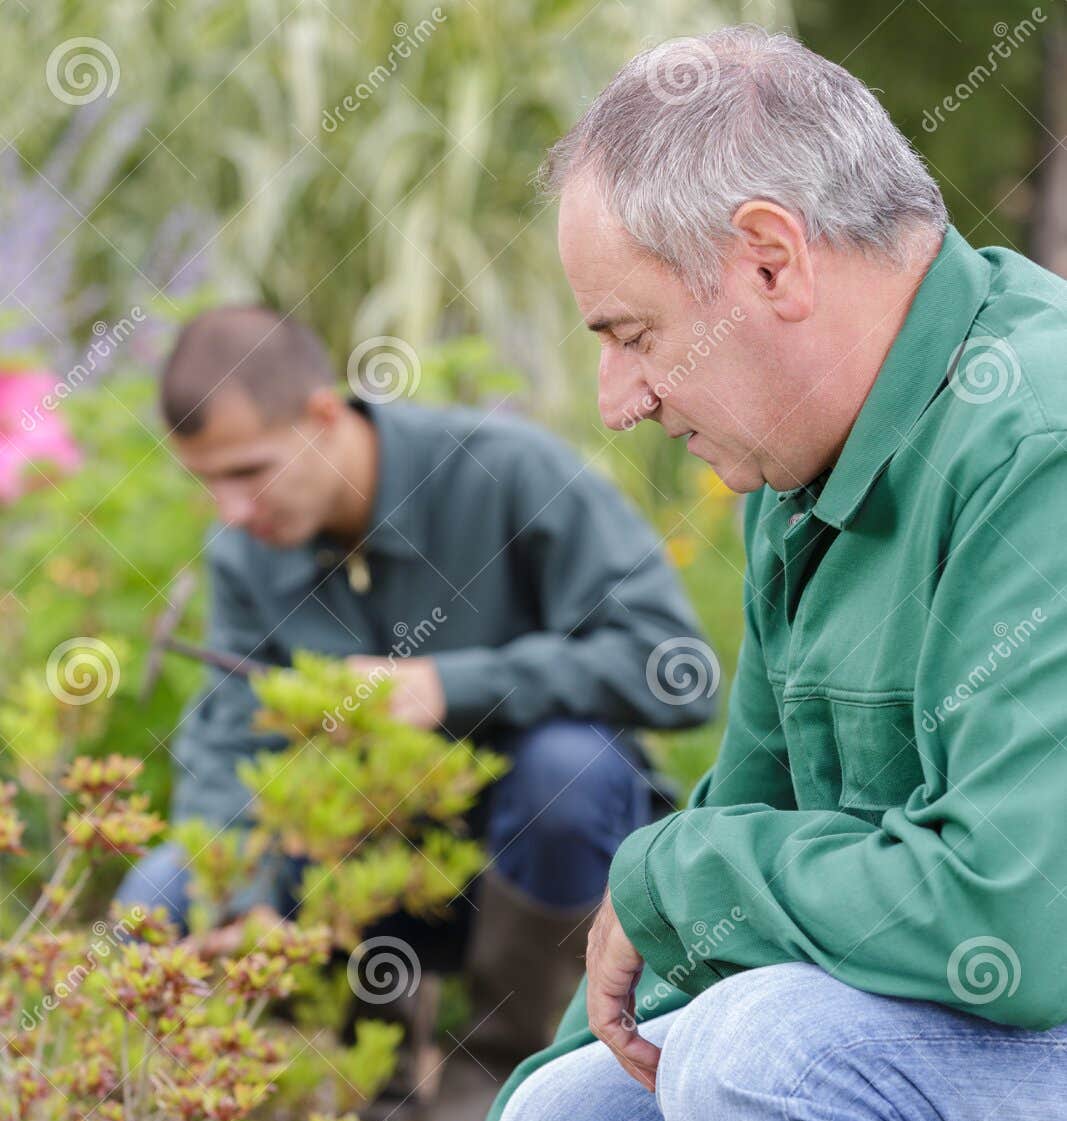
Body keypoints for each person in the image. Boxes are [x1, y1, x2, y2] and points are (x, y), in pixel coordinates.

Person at [340, 27, 1067, 1121]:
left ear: (767, 260)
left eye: (630, 334)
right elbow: (728, 847)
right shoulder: (812, 471)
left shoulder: (1037, 441)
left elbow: (1011, 919)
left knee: (757, 1067)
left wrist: (682, 866)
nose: (616, 399)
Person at [118, 306, 715, 1071]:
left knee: (566, 768)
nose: (231, 511)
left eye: (248, 472)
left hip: (531, 860)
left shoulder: (507, 470)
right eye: (207, 482)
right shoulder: (243, 551)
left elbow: (676, 670)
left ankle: (514, 1064)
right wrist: (245, 895)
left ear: (323, 415)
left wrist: (449, 686)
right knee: (161, 894)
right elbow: (226, 739)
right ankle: (365, 1066)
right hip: (358, 874)